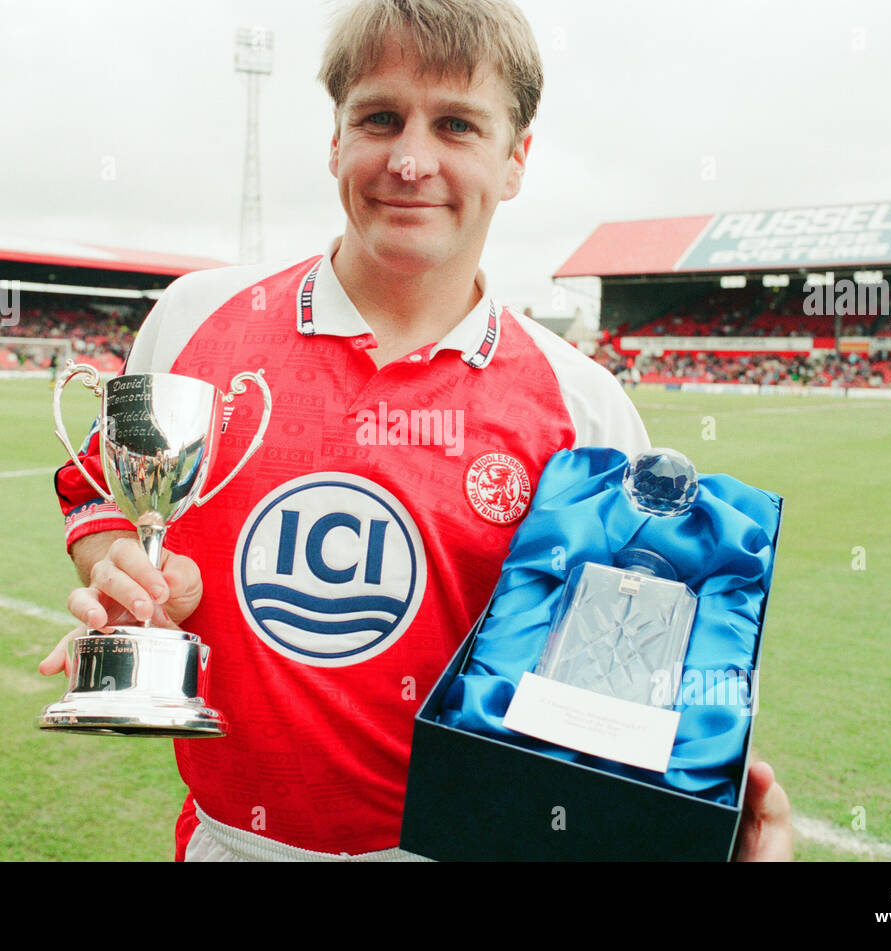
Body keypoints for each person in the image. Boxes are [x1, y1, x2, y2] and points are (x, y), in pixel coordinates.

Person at [41, 0, 791, 862]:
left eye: (458, 125)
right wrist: (126, 580)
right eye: (381, 117)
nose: (409, 159)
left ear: (515, 161)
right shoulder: (195, 319)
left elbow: (607, 683)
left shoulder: (584, 406)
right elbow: (100, 492)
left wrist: (680, 812)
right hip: (229, 841)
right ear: (334, 139)